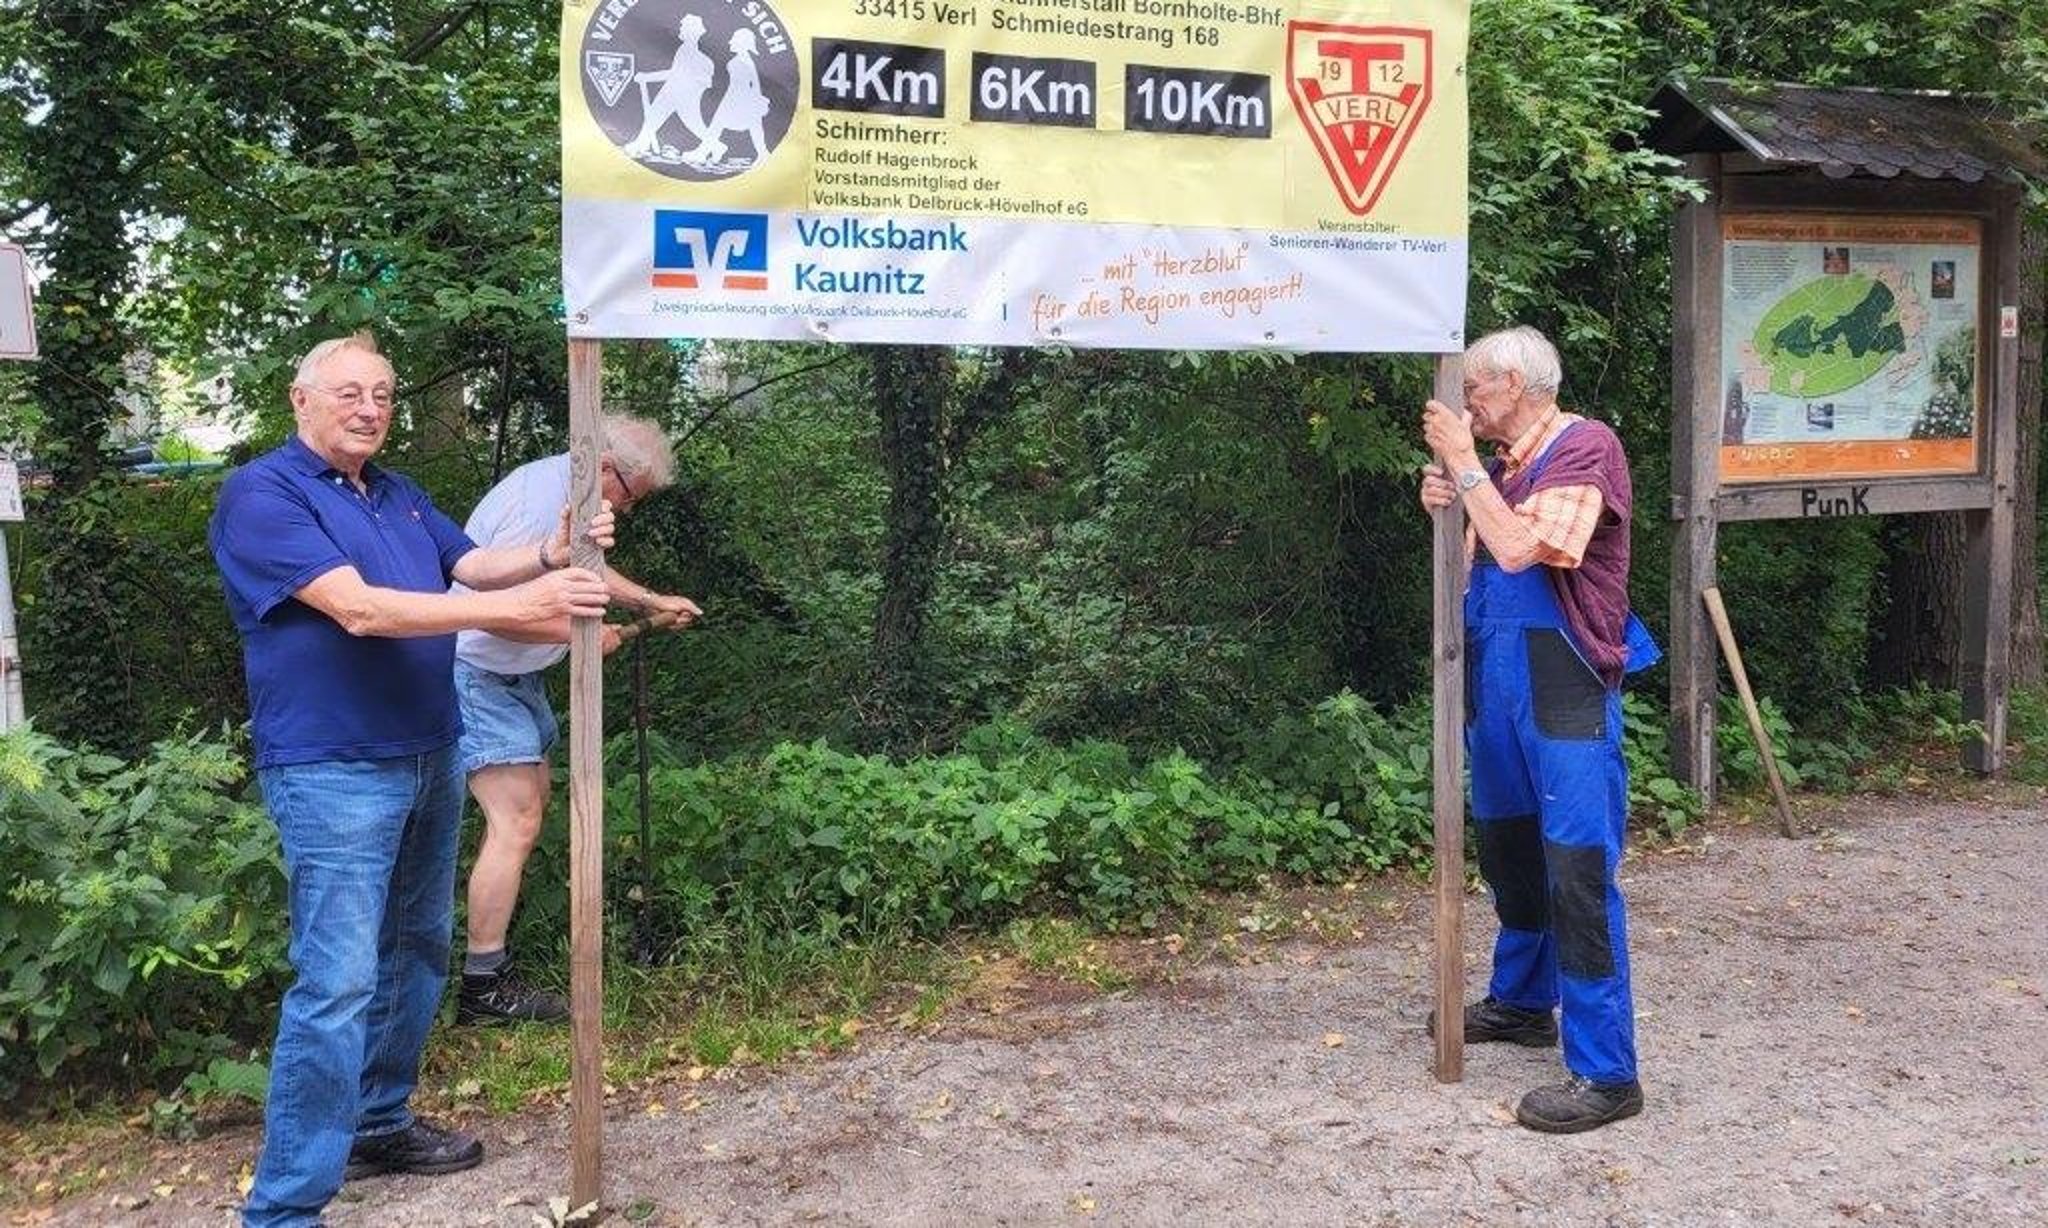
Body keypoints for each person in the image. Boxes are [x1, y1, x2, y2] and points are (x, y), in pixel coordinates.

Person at [210, 333, 615, 1226]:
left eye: (384, 394)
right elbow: (357, 607)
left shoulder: (395, 494)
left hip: (431, 750)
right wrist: (519, 611)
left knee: (416, 951)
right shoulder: (263, 493)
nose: (369, 408)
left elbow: (470, 563)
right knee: (339, 979)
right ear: (300, 400)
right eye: (349, 392)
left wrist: (549, 553)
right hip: (331, 769)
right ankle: (284, 1207)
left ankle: (379, 1121)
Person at [1417, 326, 1659, 1134]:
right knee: (1512, 857)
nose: (1466, 403)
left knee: (1578, 872)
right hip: (1497, 688)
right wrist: (1449, 513)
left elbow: (1527, 548)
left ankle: (1607, 1072)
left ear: (1514, 383)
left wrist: (1466, 468)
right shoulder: (1505, 469)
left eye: (1477, 389)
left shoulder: (1587, 448)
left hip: (1563, 690)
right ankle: (1523, 1003)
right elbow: (1472, 576)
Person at [451, 415, 700, 1024]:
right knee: (516, 820)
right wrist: (580, 635)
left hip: (517, 676)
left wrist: (647, 600)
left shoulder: (575, 492)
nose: (629, 509)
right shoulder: (541, 502)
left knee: (529, 807)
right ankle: (483, 988)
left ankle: (491, 963)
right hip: (472, 671)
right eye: (631, 496)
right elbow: (482, 611)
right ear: (607, 468)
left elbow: (588, 569)